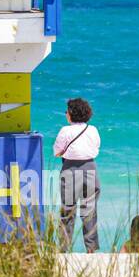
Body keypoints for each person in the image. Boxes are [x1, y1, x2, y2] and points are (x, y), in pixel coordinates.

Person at [53, 97, 101, 252]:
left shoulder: (65, 130)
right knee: (90, 209)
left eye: (66, 111)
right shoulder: (92, 129)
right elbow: (96, 148)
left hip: (70, 169)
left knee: (68, 210)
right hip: (90, 167)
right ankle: (91, 248)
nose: (65, 114)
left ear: (72, 114)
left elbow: (56, 151)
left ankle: (64, 248)